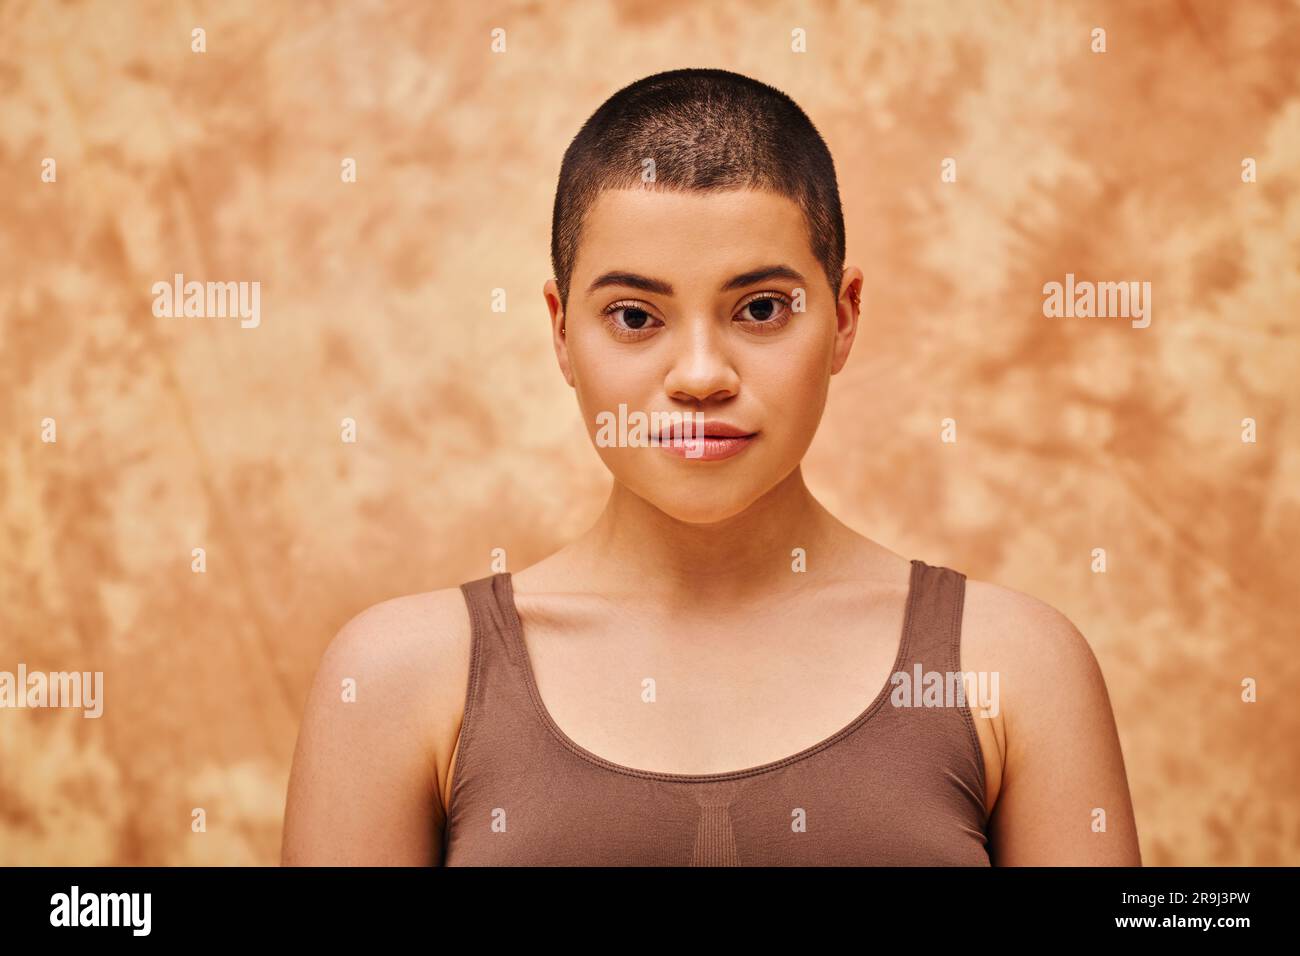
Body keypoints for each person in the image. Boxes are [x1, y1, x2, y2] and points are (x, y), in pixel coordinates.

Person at [281, 68, 1141, 866]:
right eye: (633, 315)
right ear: (559, 332)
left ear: (843, 319)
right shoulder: (400, 680)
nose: (699, 375)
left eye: (761, 309)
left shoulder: (1011, 668)